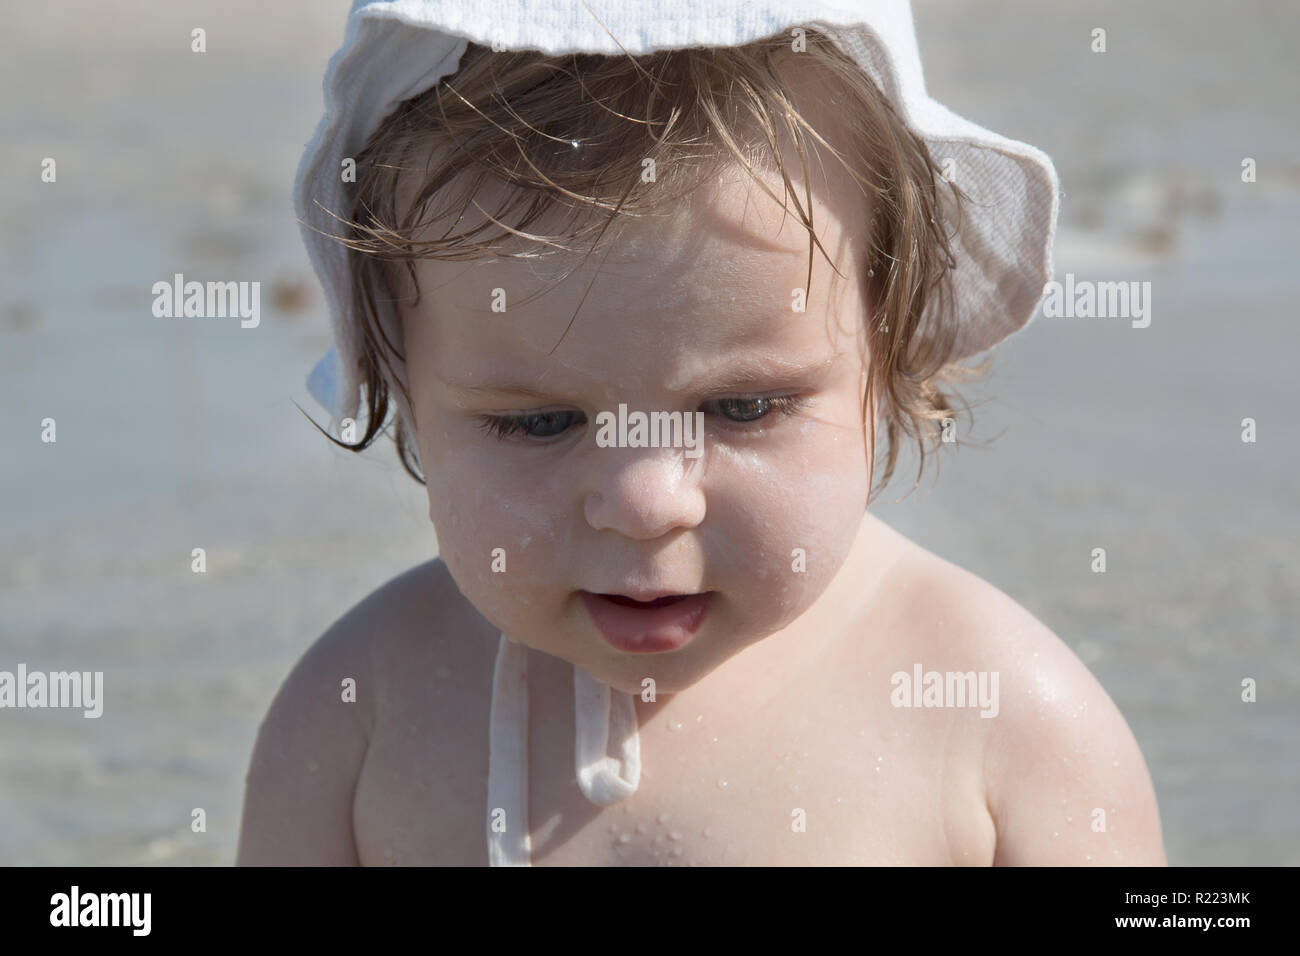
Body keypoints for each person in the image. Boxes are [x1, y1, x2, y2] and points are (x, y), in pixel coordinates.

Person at [236, 0, 1166, 866]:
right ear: (401, 380)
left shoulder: (1006, 721)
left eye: (744, 408)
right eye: (540, 420)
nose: (645, 503)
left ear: (887, 362)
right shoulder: (358, 718)